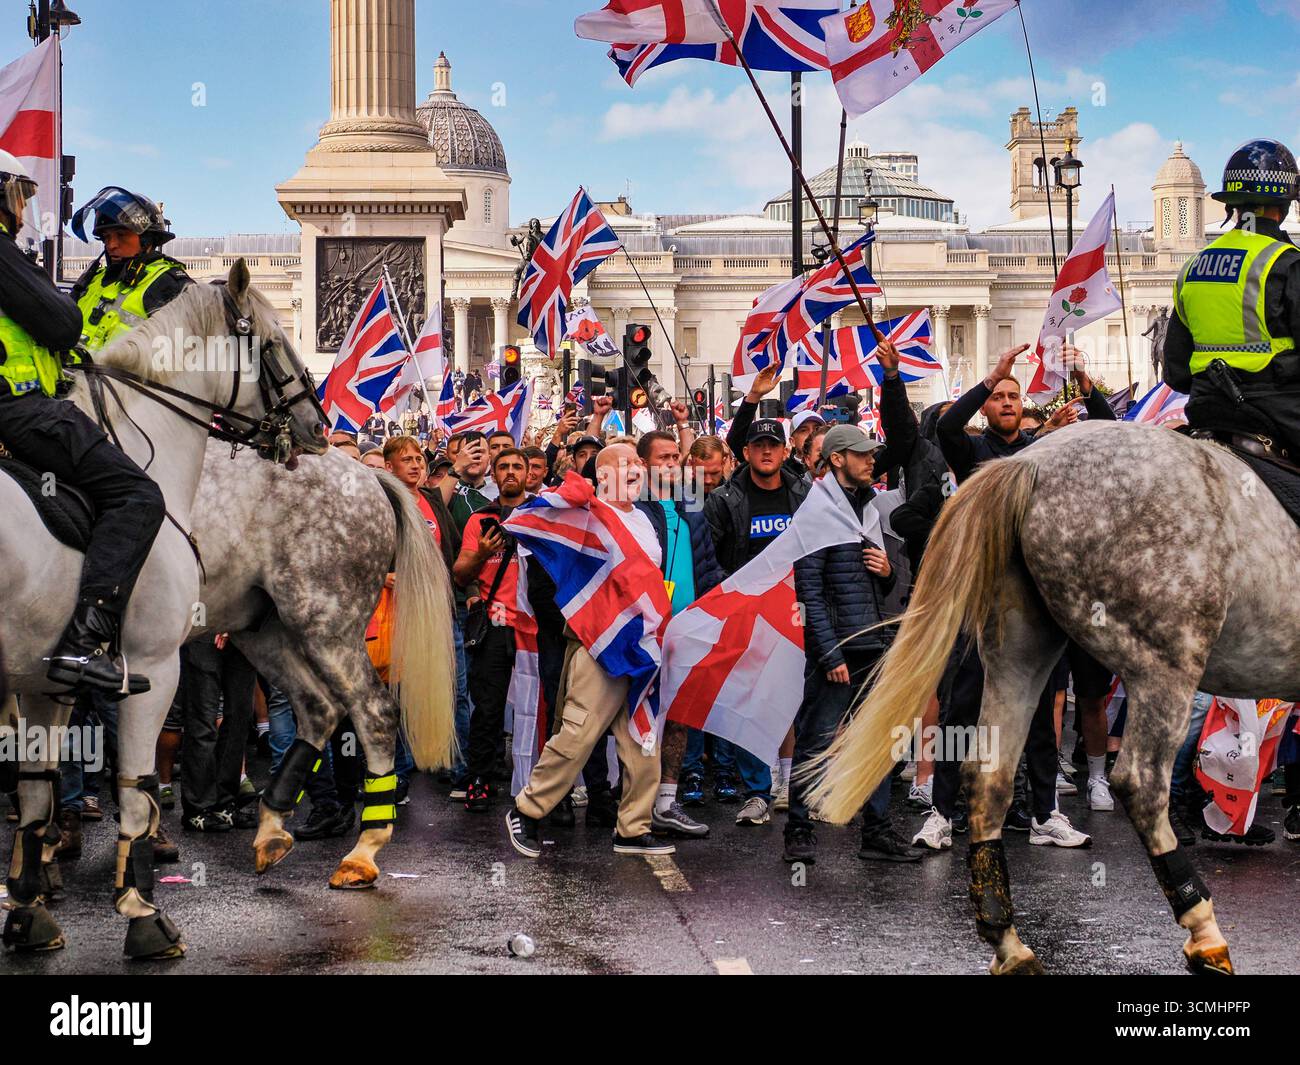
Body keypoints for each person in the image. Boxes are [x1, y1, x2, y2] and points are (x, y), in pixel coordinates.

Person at [920, 345, 1105, 850]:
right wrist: (990, 375)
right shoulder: (974, 452)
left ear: (1021, 407)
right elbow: (944, 428)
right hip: (981, 600)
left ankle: (1045, 813)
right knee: (961, 709)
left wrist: (1086, 385)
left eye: (1010, 395)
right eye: (997, 397)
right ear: (987, 407)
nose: (1004, 401)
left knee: (1042, 714)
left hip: (1035, 603)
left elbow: (1110, 434)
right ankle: (941, 813)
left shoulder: (1042, 450)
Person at [0, 152, 166, 695]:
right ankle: (85, 643)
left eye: (120, 235)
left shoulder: (165, 278)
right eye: (18, 196)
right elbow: (62, 320)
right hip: (25, 408)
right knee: (138, 496)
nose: (23, 211)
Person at [506, 444, 675, 858]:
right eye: (625, 463)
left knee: (642, 740)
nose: (636, 468)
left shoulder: (648, 518)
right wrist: (569, 493)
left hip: (640, 647)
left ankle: (632, 828)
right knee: (578, 735)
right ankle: (526, 811)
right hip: (598, 644)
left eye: (639, 462)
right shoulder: (586, 514)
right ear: (602, 475)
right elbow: (524, 519)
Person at [785, 423, 922, 863]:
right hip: (838, 650)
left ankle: (877, 832)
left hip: (872, 642)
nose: (871, 461)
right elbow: (808, 592)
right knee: (817, 740)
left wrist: (886, 573)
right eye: (862, 455)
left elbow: (880, 587)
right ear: (838, 459)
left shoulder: (866, 510)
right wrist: (828, 653)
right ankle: (799, 831)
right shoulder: (816, 512)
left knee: (878, 740)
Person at [1164, 139, 1300, 460]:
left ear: (1233, 206)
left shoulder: (1193, 267)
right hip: (1278, 412)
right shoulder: (1287, 263)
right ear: (1282, 207)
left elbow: (1176, 373)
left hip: (1206, 411)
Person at [704, 417, 810, 824]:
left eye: (773, 444)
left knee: (795, 699)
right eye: (758, 445)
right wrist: (732, 597)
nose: (766, 451)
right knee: (750, 699)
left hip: (796, 610)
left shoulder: (804, 494)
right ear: (746, 453)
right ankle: (757, 793)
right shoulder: (724, 499)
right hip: (746, 611)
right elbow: (710, 558)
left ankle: (791, 784)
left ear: (785, 451)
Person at [635, 430, 726, 839]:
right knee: (638, 718)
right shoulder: (634, 510)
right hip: (643, 632)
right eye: (664, 458)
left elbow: (706, 565)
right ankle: (633, 803)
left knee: (678, 718)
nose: (673, 464)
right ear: (644, 465)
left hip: (686, 630)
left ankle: (667, 803)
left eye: (677, 456)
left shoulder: (694, 506)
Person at [452, 448, 529, 810]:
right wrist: (482, 552)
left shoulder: (544, 514)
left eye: (517, 467)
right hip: (495, 622)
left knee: (539, 706)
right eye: (504, 467)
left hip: (533, 625)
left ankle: (541, 784)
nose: (510, 472)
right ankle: (480, 777)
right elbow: (461, 574)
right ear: (494, 475)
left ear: (529, 474)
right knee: (488, 706)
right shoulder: (479, 519)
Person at [68, 186, 193, 354]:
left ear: (147, 239)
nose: (111, 245)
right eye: (106, 237)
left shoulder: (167, 283)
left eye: (121, 235)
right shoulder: (93, 280)